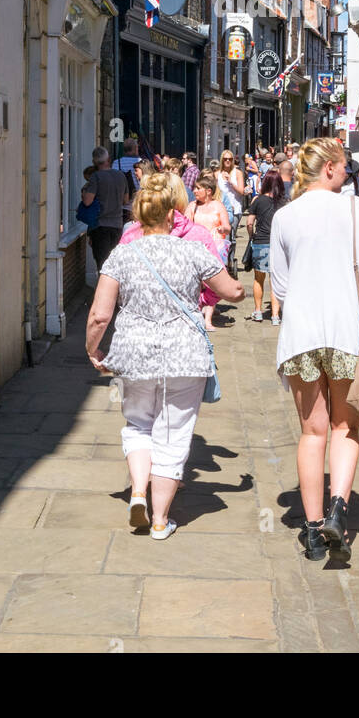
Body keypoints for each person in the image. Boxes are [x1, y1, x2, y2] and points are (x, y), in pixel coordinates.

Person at [85, 173, 244, 540]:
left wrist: (93, 348)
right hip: (185, 355)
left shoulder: (122, 254)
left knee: (139, 425)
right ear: (173, 216)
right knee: (173, 435)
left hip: (135, 355)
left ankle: (138, 491)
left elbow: (99, 315)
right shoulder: (192, 251)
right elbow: (233, 291)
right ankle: (159, 520)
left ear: (138, 217)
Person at [271, 137, 359, 564]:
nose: (348, 172)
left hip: (300, 336)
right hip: (345, 332)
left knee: (312, 433)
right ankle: (338, 514)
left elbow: (280, 286)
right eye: (344, 165)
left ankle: (310, 531)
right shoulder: (352, 209)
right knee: (346, 428)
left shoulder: (285, 216)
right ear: (328, 167)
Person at [121, 174, 225, 329]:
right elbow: (219, 284)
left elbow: (116, 283)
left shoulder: (131, 234)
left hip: (139, 325)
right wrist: (199, 300)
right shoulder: (198, 234)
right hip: (184, 326)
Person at [186, 173, 232, 326]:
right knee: (197, 283)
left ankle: (208, 320)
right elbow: (185, 226)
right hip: (196, 250)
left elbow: (227, 227)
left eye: (198, 188)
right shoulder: (192, 206)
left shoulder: (218, 205)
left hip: (214, 249)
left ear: (208, 191)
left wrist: (222, 229)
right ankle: (197, 312)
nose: (194, 191)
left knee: (212, 283)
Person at [245, 168, 286, 325]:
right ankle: (275, 316)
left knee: (258, 279)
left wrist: (252, 235)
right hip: (277, 245)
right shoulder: (283, 202)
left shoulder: (258, 201)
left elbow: (249, 222)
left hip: (260, 242)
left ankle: (258, 311)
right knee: (274, 280)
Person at [86, 146, 130, 270]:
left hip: (100, 226)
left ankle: (104, 288)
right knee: (115, 263)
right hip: (117, 224)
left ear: (94, 162)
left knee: (103, 264)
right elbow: (126, 200)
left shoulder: (96, 177)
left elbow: (88, 201)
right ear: (108, 159)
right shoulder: (121, 176)